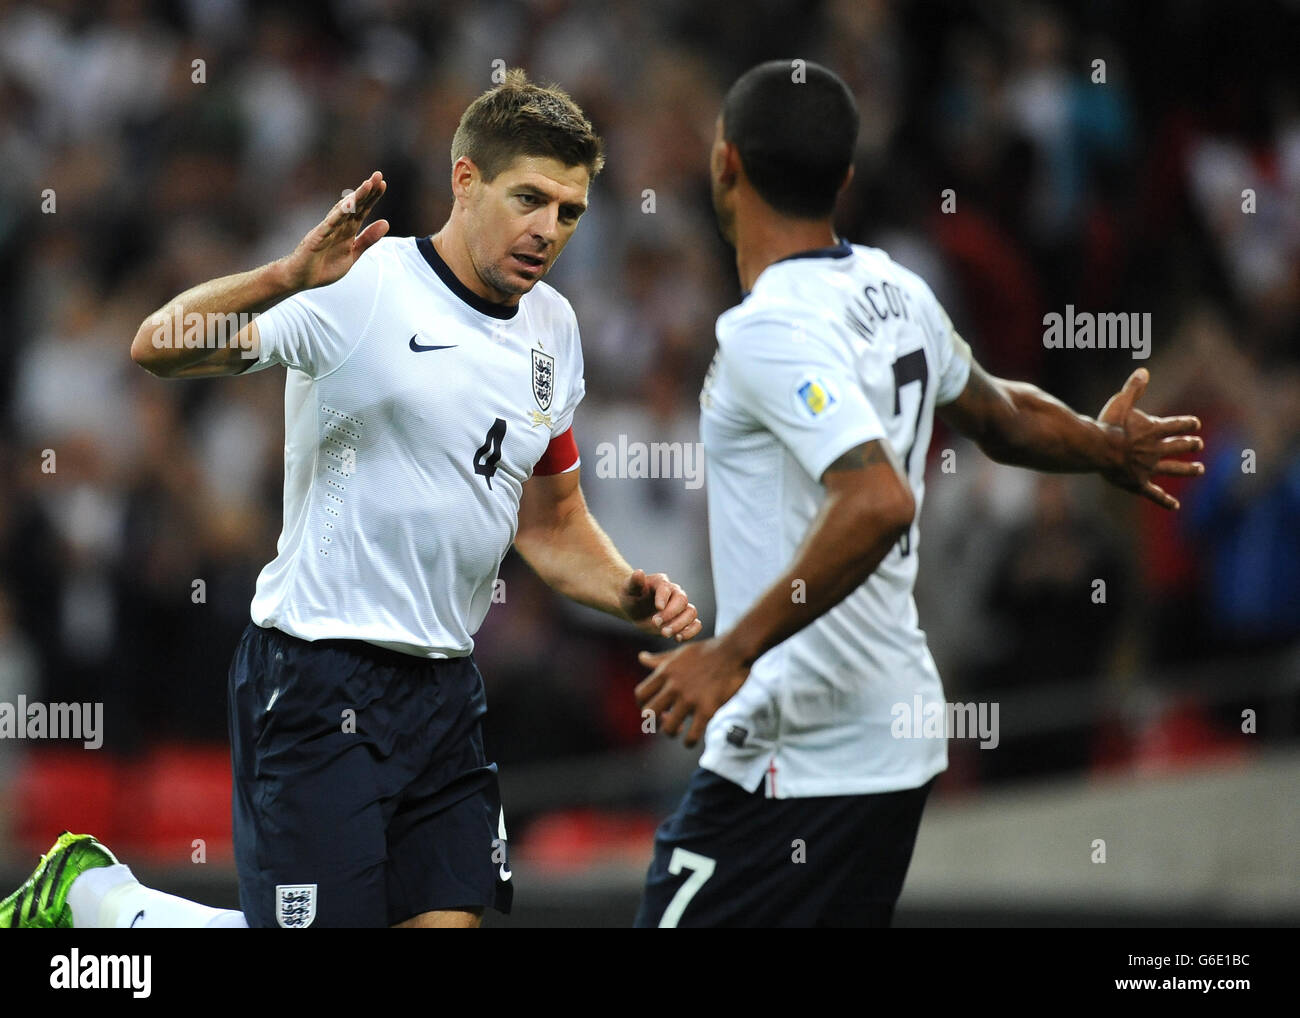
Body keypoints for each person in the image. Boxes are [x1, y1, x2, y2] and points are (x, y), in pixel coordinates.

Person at [2, 70, 700, 930]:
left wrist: (628, 587)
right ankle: (104, 901)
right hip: (317, 675)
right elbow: (158, 346)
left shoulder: (552, 327)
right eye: (530, 199)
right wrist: (286, 275)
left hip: (444, 690)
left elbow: (551, 521)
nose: (547, 230)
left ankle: (108, 901)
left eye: (569, 212)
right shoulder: (364, 285)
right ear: (466, 179)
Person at [632, 60, 1203, 928]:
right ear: (846, 179)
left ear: (726, 165)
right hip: (892, 744)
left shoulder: (768, 332)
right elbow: (999, 413)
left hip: (800, 751)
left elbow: (880, 499)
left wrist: (730, 650)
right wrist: (1101, 445)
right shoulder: (895, 290)